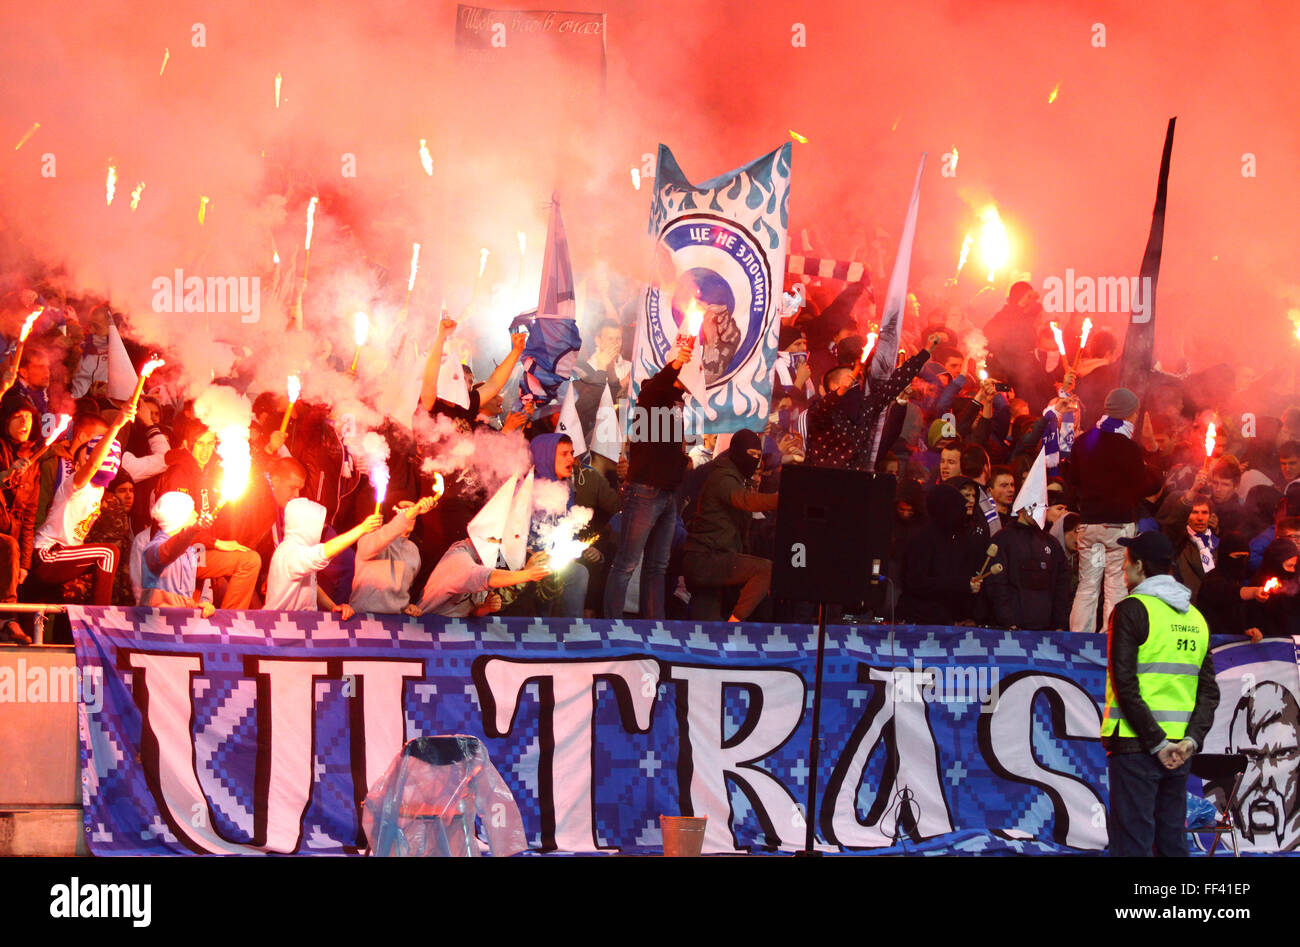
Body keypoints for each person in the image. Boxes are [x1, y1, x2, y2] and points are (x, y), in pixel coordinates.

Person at [1101, 531, 1219, 857]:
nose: (1124, 572)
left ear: (1139, 566)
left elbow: (1124, 684)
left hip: (1136, 745)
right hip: (1179, 750)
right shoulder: (1195, 617)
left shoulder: (1131, 609)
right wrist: (1190, 741)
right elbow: (1209, 691)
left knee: (1132, 844)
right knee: (1171, 842)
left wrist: (1157, 743)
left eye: (1126, 564)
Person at [603, 335, 695, 619]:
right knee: (627, 563)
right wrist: (677, 364)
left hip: (666, 493)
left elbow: (671, 446)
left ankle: (654, 628)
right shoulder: (651, 396)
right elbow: (654, 387)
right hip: (644, 490)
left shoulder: (678, 404)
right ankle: (611, 625)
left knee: (658, 566)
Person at [1068, 387, 1159, 633]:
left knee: (1088, 584)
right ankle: (1111, 640)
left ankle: (1079, 639)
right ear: (1130, 414)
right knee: (1115, 585)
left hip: (1090, 528)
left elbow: (1073, 478)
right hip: (1117, 530)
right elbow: (1142, 485)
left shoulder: (1083, 441)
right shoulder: (1128, 447)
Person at [29, 408, 135, 605]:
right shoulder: (75, 484)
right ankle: (101, 615)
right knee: (108, 553)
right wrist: (116, 425)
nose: (105, 456)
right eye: (97, 449)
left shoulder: (98, 490)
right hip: (47, 553)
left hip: (64, 556)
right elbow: (94, 464)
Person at [680, 429, 779, 621]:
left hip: (711, 561)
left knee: (705, 628)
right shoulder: (723, 478)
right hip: (707, 559)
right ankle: (733, 625)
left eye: (758, 456)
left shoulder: (733, 477)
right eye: (751, 455)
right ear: (737, 451)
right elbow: (746, 501)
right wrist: (782, 499)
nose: (754, 460)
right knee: (765, 569)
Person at [264, 498, 381, 616]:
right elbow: (324, 552)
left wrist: (333, 607)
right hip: (278, 626)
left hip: (291, 625)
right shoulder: (290, 551)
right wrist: (362, 529)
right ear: (306, 525)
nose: (323, 527)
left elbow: (312, 585)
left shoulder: (298, 550)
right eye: (319, 523)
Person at [985, 505, 1072, 630]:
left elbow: (1061, 585)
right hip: (1012, 629)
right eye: (1034, 506)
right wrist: (1007, 620)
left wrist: (1059, 623)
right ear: (1022, 507)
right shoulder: (1003, 538)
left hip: (1046, 628)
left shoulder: (1051, 543)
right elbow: (996, 582)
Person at [350, 496, 438, 616]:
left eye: (413, 512)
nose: (411, 516)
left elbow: (400, 592)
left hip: (395, 625)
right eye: (405, 512)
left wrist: (405, 606)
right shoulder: (369, 539)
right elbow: (391, 530)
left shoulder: (413, 550)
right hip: (363, 620)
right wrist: (413, 511)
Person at [420, 540, 553, 617]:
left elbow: (472, 611)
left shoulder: (490, 558)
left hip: (454, 631)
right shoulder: (458, 555)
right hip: (428, 629)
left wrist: (486, 607)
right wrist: (527, 574)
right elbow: (484, 577)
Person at [138, 491, 215, 615]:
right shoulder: (153, 549)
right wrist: (192, 530)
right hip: (157, 623)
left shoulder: (192, 550)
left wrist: (205, 603)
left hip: (184, 622)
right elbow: (169, 551)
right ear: (178, 517)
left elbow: (199, 588)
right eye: (192, 511)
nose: (196, 514)